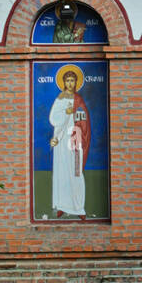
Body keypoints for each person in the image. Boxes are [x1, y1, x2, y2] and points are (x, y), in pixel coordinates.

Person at [49, 69, 91, 216]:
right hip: (61, 142)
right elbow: (53, 119)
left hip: (75, 140)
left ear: (76, 82)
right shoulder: (59, 98)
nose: (70, 83)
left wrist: (73, 115)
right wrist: (64, 114)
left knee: (76, 172)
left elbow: (83, 119)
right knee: (62, 172)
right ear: (63, 83)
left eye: (72, 80)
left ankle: (79, 208)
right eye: (67, 80)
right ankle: (62, 205)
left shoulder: (78, 100)